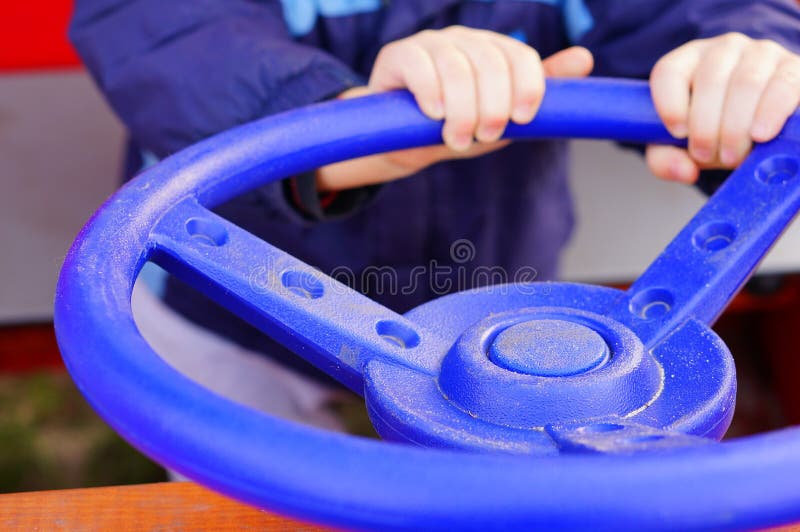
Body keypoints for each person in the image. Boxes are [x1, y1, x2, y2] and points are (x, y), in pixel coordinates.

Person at [69, 1, 800, 431]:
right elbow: (160, 33)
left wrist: (750, 61)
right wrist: (341, 126)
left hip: (495, 305)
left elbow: (683, 11)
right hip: (232, 308)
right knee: (247, 479)